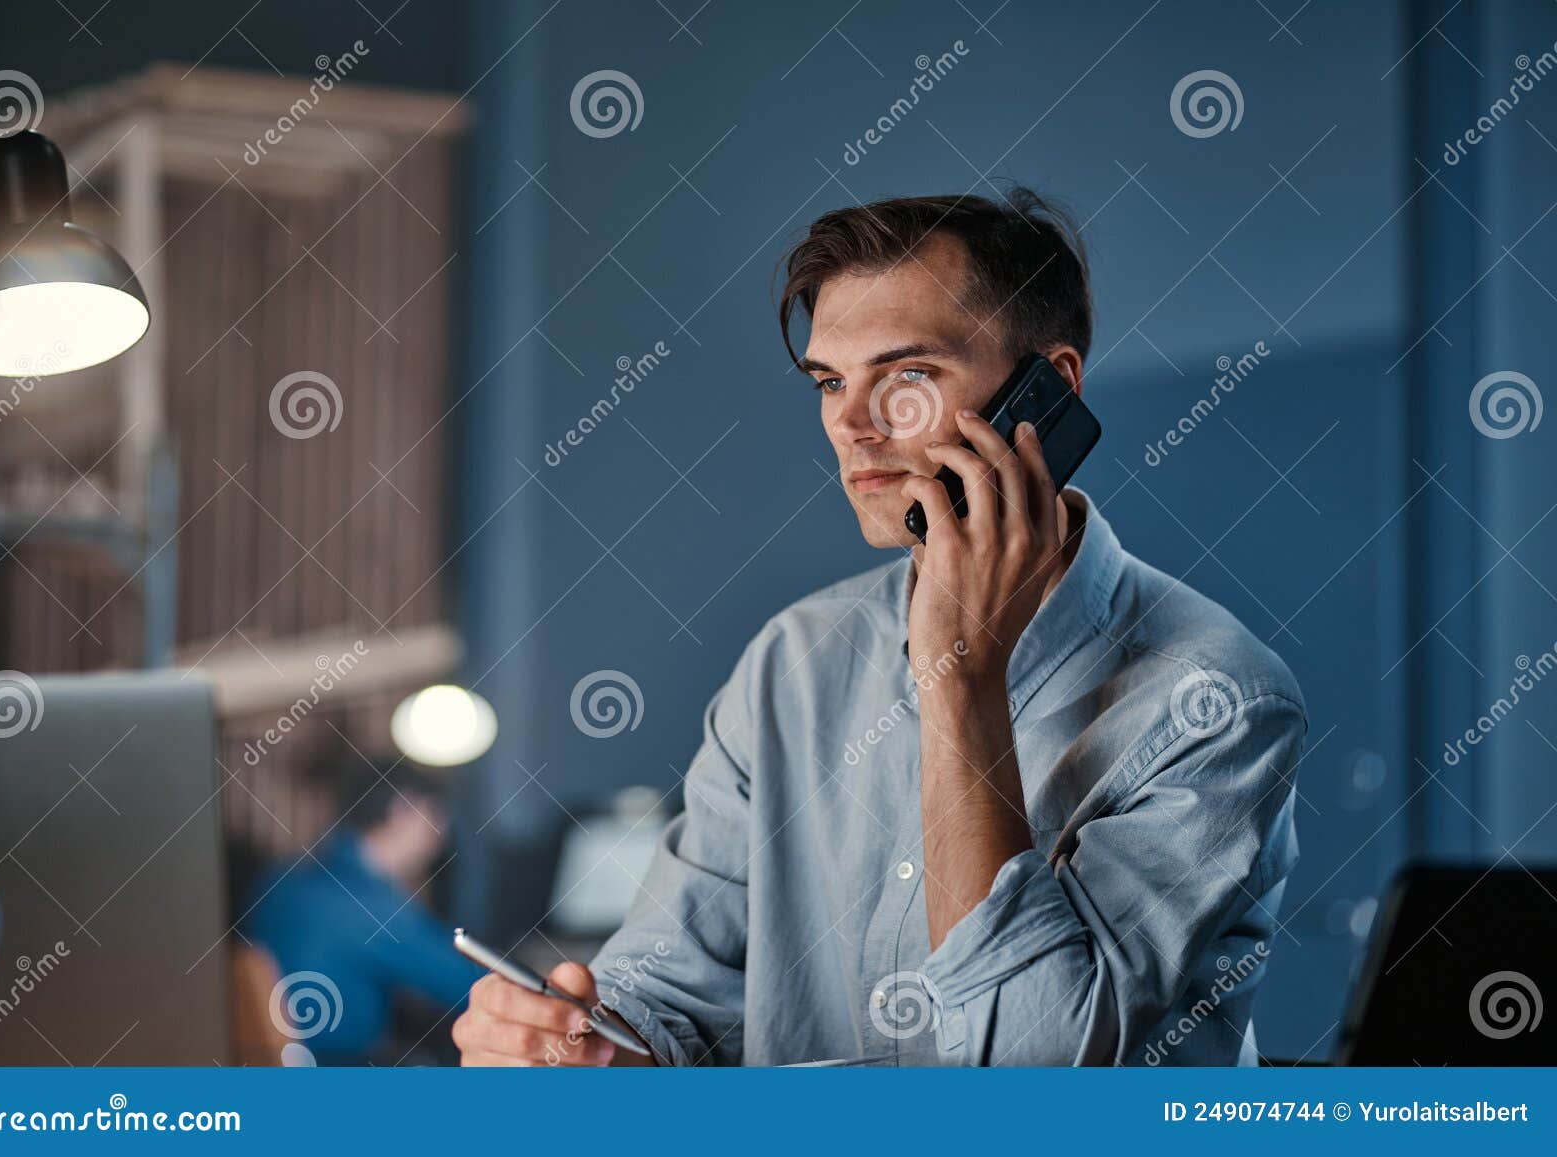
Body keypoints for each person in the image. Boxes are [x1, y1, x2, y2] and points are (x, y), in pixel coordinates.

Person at [453, 188, 1305, 1067]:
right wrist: (586, 1047)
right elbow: (670, 990)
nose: (851, 427)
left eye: (906, 378)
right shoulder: (792, 662)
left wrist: (960, 672)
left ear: (1050, 387)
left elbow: (1031, 1072)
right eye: (830, 381)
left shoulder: (1216, 697)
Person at [248, 754, 480, 1065]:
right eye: (436, 815)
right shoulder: (368, 905)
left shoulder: (278, 879)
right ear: (404, 810)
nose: (442, 833)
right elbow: (469, 987)